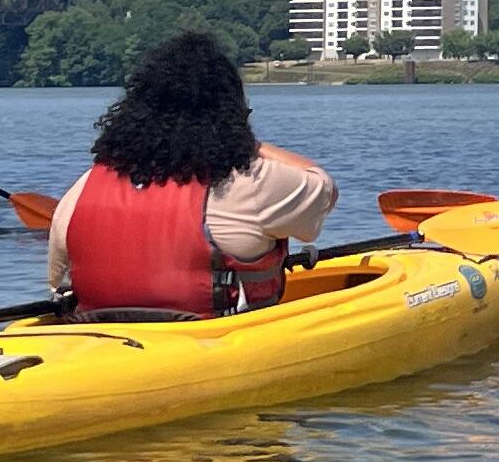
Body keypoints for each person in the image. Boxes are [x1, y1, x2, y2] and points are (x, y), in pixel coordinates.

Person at [45, 31, 336, 314]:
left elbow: (58, 284)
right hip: (211, 336)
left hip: (102, 336)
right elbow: (324, 189)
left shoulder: (81, 190)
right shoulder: (248, 182)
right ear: (231, 114)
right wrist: (248, 144)